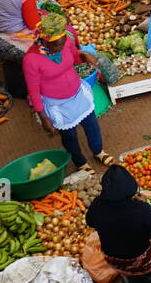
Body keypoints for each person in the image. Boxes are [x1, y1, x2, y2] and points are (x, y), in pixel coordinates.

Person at [24, 12, 112, 171]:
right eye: (56, 44)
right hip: (57, 103)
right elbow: (34, 91)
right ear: (44, 40)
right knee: (69, 135)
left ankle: (98, 151)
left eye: (63, 40)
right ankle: (80, 162)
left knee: (91, 123)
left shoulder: (66, 43)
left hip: (77, 93)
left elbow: (75, 58)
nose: (61, 46)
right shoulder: (31, 59)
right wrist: (43, 117)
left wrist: (84, 55)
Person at [85, 164, 151, 278]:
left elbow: (90, 222)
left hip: (115, 263)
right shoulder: (140, 209)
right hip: (141, 264)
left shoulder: (97, 204)